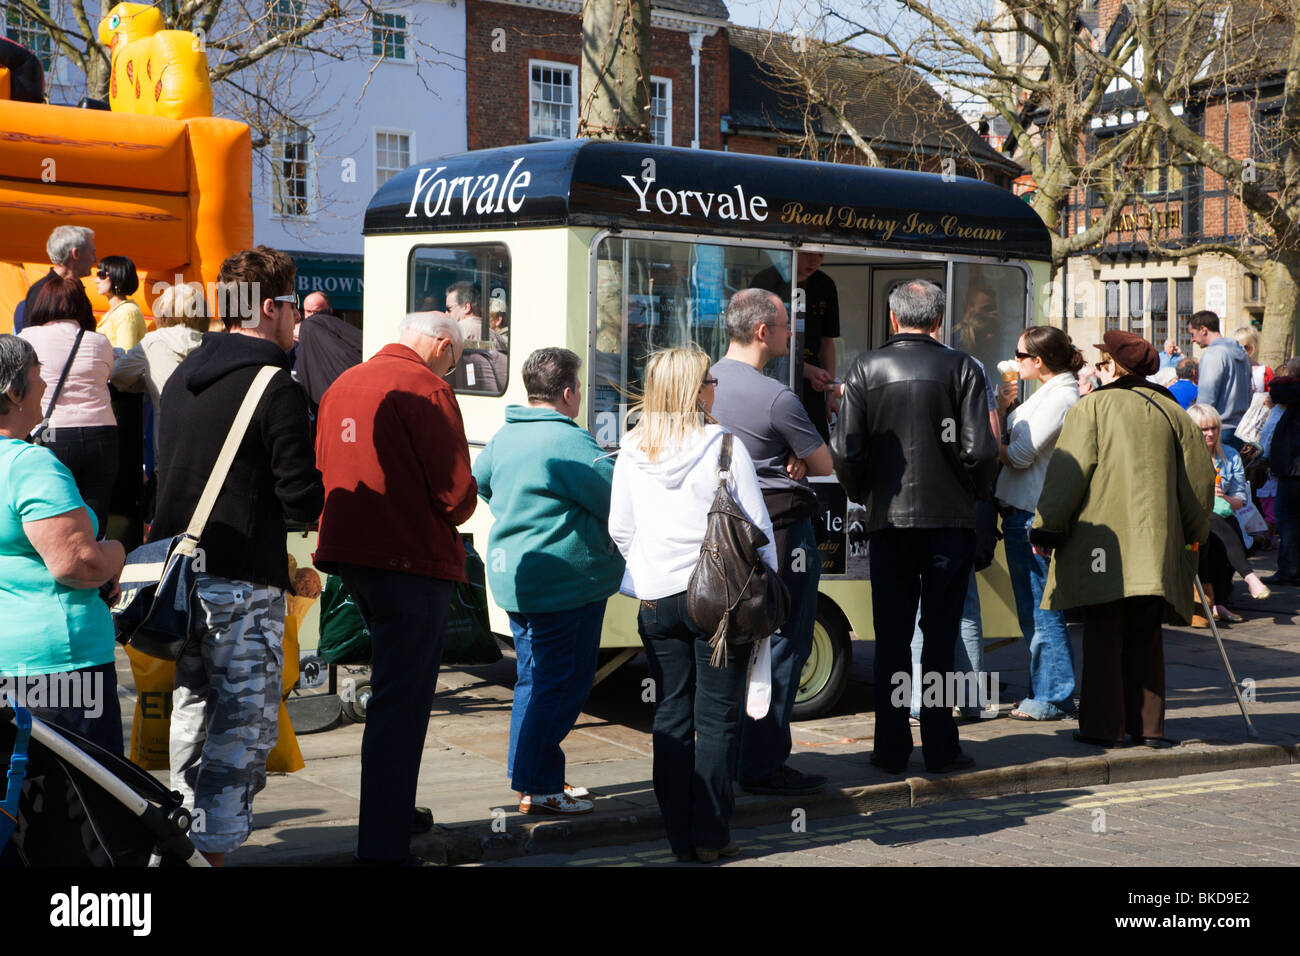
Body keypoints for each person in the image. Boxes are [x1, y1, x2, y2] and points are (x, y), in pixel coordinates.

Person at [149, 246, 323, 866]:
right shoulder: (274, 384)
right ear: (269, 308)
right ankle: (213, 856)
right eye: (293, 310)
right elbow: (300, 496)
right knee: (240, 731)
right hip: (243, 586)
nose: (297, 324)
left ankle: (176, 842)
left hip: (180, 585)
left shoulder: (179, 378)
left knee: (192, 712)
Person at [314, 310, 477, 866]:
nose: (452, 368)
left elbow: (323, 464)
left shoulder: (345, 382)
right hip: (410, 559)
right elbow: (456, 495)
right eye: (454, 357)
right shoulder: (425, 387)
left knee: (391, 694)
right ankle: (383, 842)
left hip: (354, 556)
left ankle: (392, 808)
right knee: (401, 705)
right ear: (439, 345)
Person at [609, 346, 778, 863]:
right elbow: (760, 532)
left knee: (671, 715)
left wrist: (650, 578)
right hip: (720, 605)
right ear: (693, 389)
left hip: (657, 601)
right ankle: (710, 834)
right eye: (710, 380)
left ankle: (679, 837)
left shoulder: (633, 446)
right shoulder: (725, 446)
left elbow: (620, 529)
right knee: (719, 719)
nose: (715, 387)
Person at [832, 278, 998, 773]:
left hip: (889, 523)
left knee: (892, 639)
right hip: (950, 523)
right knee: (941, 636)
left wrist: (867, 494)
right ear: (939, 319)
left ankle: (890, 748)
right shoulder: (963, 367)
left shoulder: (865, 367)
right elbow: (982, 450)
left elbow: (846, 450)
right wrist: (968, 492)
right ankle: (941, 747)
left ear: (892, 317)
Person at [1030, 330, 1214, 749]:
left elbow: (1068, 474)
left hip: (1103, 547)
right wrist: (1194, 532)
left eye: (1102, 361)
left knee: (1103, 634)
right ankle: (1148, 728)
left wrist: (1047, 526)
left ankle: (1103, 727)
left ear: (1114, 366)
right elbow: (1200, 484)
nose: (1097, 368)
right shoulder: (1174, 413)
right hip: (1158, 545)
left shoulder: (1092, 407)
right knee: (1146, 635)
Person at [473, 347, 623, 815]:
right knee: (561, 686)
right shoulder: (570, 440)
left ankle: (530, 780)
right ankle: (540, 787)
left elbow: (478, 481)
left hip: (516, 577)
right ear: (567, 392)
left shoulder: (506, 434)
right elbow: (614, 499)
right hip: (565, 584)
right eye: (581, 387)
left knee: (533, 681)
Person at [710, 288, 832, 797]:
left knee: (733, 645)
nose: (791, 335)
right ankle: (762, 763)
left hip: (719, 535)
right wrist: (799, 457)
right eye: (786, 326)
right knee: (784, 643)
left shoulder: (704, 382)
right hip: (781, 533)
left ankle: (730, 756)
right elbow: (825, 464)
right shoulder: (778, 397)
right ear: (763, 332)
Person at [0, 334, 125, 753]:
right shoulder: (29, 465)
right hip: (56, 669)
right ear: (14, 391)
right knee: (77, 806)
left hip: (11, 661)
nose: (45, 388)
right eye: (38, 378)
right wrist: (118, 554)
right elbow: (78, 565)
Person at [994, 326, 1083, 721]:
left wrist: (988, 439)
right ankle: (1047, 692)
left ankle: (1052, 696)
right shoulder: (1049, 392)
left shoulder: (1061, 395)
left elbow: (1021, 455)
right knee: (1035, 607)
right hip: (1024, 510)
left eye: (1019, 354)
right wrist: (1001, 409)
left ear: (1038, 361)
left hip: (1031, 513)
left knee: (1040, 609)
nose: (1014, 361)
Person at [18, 276, 117, 532]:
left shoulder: (28, 338)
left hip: (53, 434)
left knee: (55, 518)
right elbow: (110, 374)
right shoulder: (99, 341)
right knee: (95, 519)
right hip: (102, 433)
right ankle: (97, 566)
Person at [1185, 403, 1271, 622]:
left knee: (1226, 526)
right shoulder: (1184, 456)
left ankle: (1218, 603)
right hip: (1192, 518)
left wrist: (1222, 497)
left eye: (1214, 428)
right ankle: (1248, 579)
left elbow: (1241, 499)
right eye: (1204, 429)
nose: (1210, 433)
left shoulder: (1230, 455)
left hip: (1224, 514)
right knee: (1212, 527)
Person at [750, 253, 841, 440]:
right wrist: (808, 371)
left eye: (820, 254)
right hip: (769, 377)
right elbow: (758, 343)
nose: (815, 261)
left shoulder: (825, 285)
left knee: (815, 443)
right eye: (808, 254)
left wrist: (830, 392)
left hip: (814, 386)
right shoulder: (765, 282)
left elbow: (826, 341)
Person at [111, 282, 207, 455]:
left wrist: (149, 380)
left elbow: (119, 376)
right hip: (208, 436)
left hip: (167, 441)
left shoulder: (152, 342)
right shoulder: (211, 342)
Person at [1189, 310, 1252, 450]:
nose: (1192, 340)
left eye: (1192, 334)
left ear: (1203, 330)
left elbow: (1206, 397)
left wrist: (1198, 426)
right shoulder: (1242, 352)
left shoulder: (1213, 354)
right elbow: (1249, 392)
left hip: (1216, 431)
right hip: (1239, 428)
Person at [295, 290, 362, 417]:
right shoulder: (295, 339)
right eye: (308, 312)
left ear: (330, 311)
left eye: (318, 313)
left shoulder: (340, 336)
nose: (312, 317)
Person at [21, 225, 96, 335]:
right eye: (92, 253)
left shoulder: (77, 287)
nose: (95, 259)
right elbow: (33, 339)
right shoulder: (41, 291)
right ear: (76, 253)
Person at [1265, 361, 1300, 585]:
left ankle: (1289, 570)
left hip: (1293, 468)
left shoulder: (1292, 394)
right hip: (1292, 466)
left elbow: (1275, 390)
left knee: (1288, 520)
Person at [93, 255, 147, 351]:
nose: (96, 281)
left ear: (117, 277)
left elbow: (125, 354)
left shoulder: (127, 312)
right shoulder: (115, 311)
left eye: (101, 275)